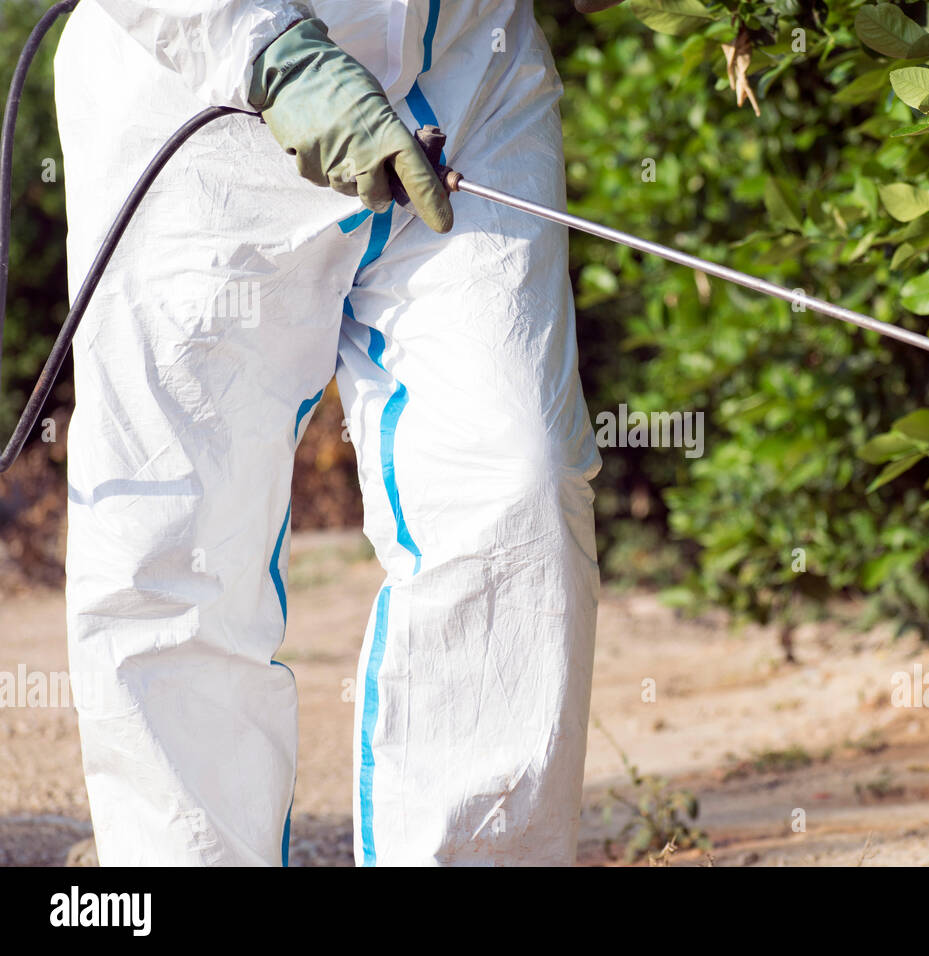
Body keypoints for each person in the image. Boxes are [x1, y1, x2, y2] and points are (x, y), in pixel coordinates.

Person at [54, 0, 621, 866]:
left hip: (468, 78)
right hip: (200, 103)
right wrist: (269, 50)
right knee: (178, 544)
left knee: (518, 480)